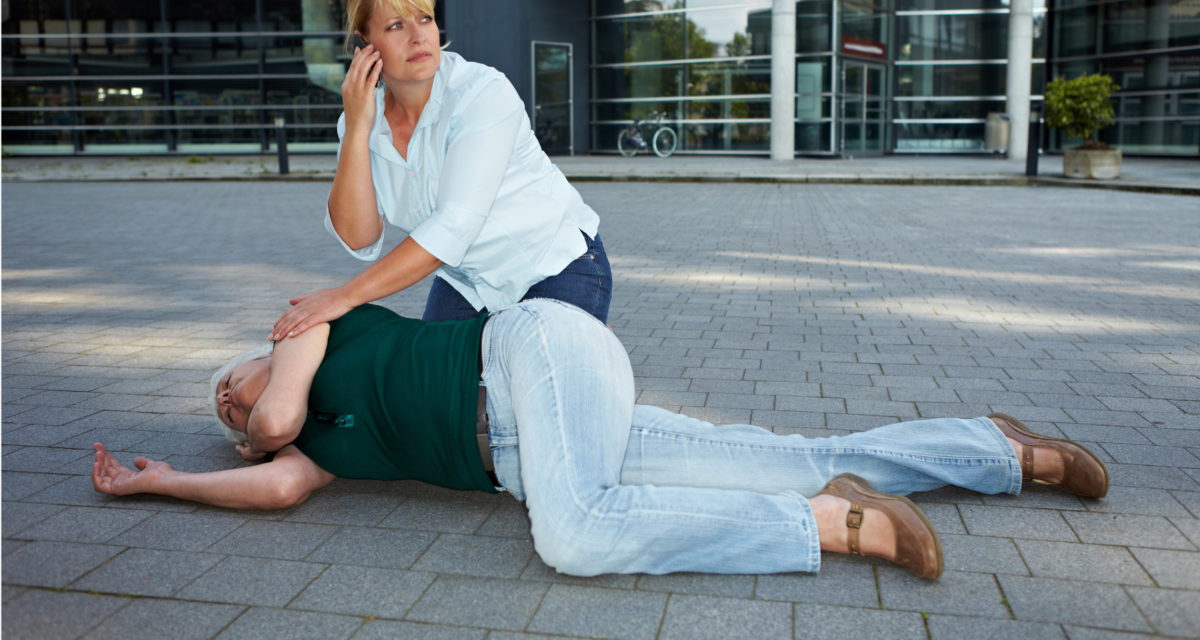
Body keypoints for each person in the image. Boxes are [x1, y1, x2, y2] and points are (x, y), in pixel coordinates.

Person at [92, 299, 1109, 579]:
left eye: (224, 388)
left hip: (531, 355)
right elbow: (276, 486)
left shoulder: (311, 326)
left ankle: (829, 527)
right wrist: (163, 482)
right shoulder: (316, 456)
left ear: (258, 353)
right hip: (552, 436)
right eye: (222, 413)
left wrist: (256, 426)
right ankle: (995, 450)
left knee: (572, 536)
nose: (231, 406)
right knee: (795, 452)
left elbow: (274, 420)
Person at [269, 0, 608, 343]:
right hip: (467, 281)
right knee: (431, 379)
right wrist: (356, 130)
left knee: (531, 374)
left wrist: (345, 296)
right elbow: (359, 237)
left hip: (553, 263)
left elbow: (454, 224)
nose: (418, 36)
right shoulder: (361, 118)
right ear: (365, 42)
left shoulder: (481, 92)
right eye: (396, 26)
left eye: (425, 18)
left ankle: (589, 345)